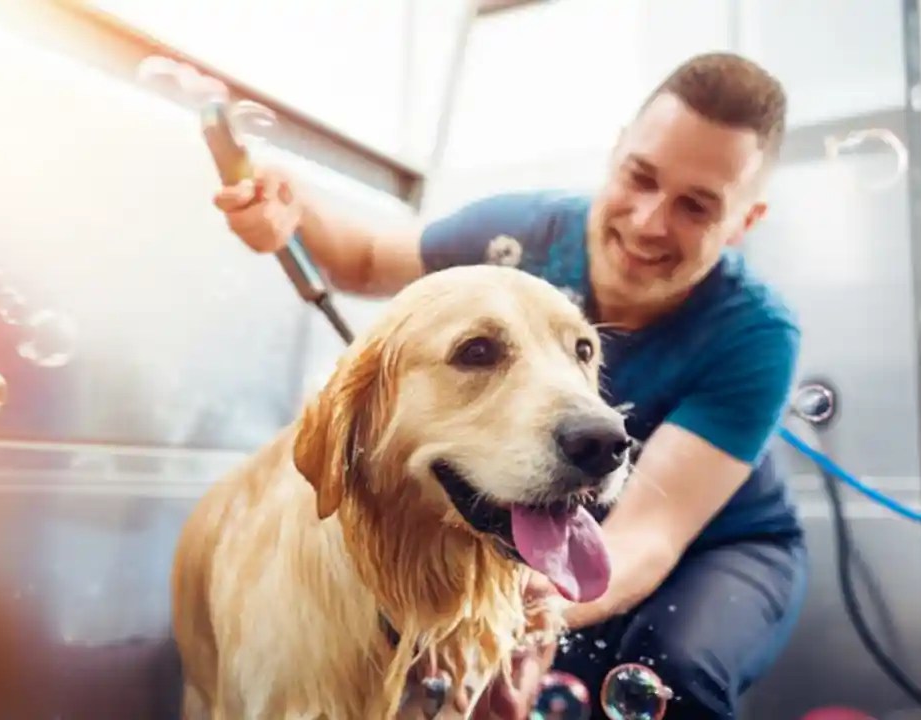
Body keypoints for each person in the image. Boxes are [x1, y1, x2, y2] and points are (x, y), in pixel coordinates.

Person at [211, 51, 808, 720]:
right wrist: (292, 210)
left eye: (697, 207)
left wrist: (531, 620)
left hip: (713, 543)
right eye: (640, 177)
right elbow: (367, 259)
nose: (648, 222)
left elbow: (650, 536)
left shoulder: (755, 335)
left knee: (676, 671)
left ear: (743, 222)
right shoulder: (520, 236)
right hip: (552, 505)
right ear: (616, 153)